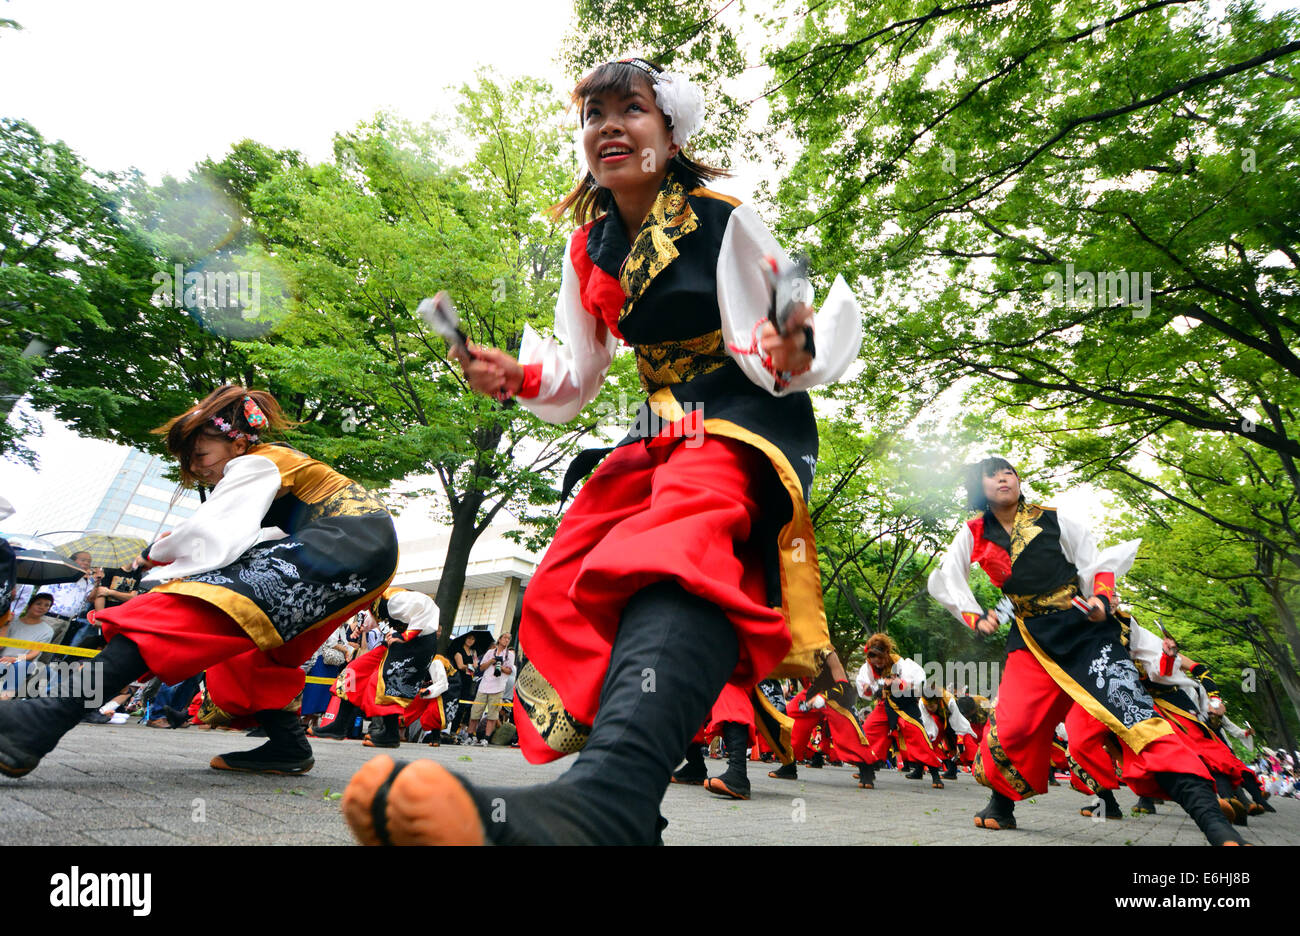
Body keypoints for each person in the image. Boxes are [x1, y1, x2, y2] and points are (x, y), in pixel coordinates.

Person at [342, 56, 861, 845]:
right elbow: (579, 374)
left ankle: (608, 798)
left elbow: (778, 331)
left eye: (631, 109)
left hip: (739, 414)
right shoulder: (588, 245)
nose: (610, 126)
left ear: (669, 129)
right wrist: (516, 375)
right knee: (576, 574)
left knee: (682, 540)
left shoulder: (723, 213)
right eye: (594, 115)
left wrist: (793, 348)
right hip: (658, 429)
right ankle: (631, 813)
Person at [0, 385, 399, 777]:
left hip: (344, 543)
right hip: (365, 558)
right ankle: (287, 744)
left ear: (237, 443)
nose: (195, 468)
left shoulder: (259, 462)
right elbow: (247, 535)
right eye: (188, 461)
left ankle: (41, 717)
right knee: (256, 641)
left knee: (185, 611)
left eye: (201, 455)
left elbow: (216, 530)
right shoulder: (280, 466)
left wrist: (157, 553)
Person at [926, 457, 1244, 845]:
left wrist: (1101, 601)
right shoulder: (973, 532)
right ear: (980, 488)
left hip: (1086, 634)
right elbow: (947, 578)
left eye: (1008, 471)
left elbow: (1096, 564)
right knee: (1014, 727)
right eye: (991, 475)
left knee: (1136, 715)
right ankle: (1001, 804)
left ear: (1019, 478)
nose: (1002, 478)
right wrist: (977, 618)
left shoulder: (1054, 518)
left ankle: (1214, 823)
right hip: (1030, 640)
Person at [312, 588, 440, 748]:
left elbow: (427, 607)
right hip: (394, 642)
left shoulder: (394, 598)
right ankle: (339, 725)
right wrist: (361, 628)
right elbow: (377, 619)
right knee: (353, 670)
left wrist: (405, 636)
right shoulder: (374, 604)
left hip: (417, 644)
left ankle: (391, 734)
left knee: (386, 680)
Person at [0, 593, 55, 699]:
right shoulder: (12, 622)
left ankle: (5, 699)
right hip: (3, 659)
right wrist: (6, 623)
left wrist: (14, 659)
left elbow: (34, 654)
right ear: (30, 605)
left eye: (46, 605)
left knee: (20, 666)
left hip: (23, 662)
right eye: (38, 603)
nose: (42, 607)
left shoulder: (47, 630)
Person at [468, 632, 515, 744]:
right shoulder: (490, 652)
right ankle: (470, 735)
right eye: (505, 638)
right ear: (499, 639)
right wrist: (491, 661)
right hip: (484, 686)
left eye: (509, 638)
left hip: (498, 687)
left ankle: (486, 738)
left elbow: (509, 670)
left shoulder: (510, 655)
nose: (506, 640)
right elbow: (482, 667)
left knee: (493, 714)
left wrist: (500, 666)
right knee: (475, 712)